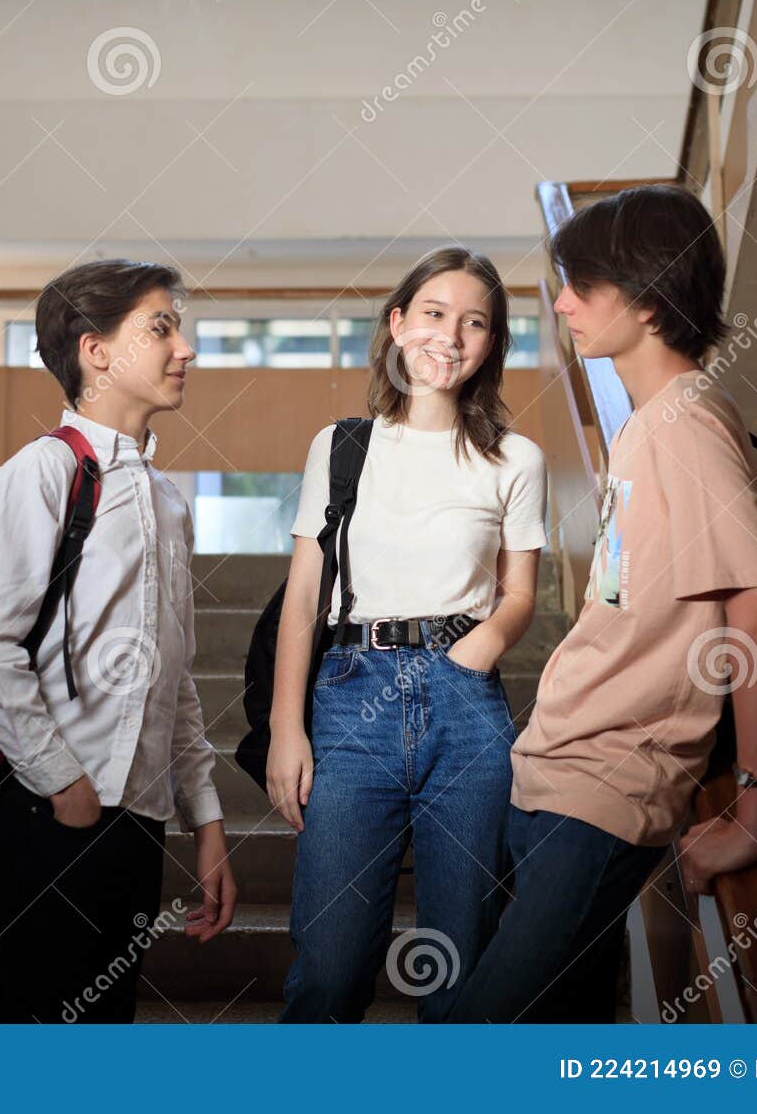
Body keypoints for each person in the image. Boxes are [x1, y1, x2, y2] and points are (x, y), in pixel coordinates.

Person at [447, 184, 757, 1023]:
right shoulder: (651, 423)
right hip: (558, 771)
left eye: (582, 286)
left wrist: (753, 807)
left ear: (645, 299)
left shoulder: (684, 424)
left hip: (607, 789)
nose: (561, 302)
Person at [0, 259, 236, 1023]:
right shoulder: (41, 471)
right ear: (95, 350)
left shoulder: (169, 502)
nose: (185, 349)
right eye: (161, 327)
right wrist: (61, 781)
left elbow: (177, 673)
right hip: (50, 812)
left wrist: (205, 818)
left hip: (138, 817)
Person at [267, 246, 548, 1022]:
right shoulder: (342, 446)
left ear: (491, 345)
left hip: (467, 707)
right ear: (396, 324)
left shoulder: (515, 458)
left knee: (463, 967)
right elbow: (302, 601)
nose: (449, 336)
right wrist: (285, 729)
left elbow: (520, 594)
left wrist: (476, 650)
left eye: (474, 323)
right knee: (329, 967)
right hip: (352, 701)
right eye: (432, 313)